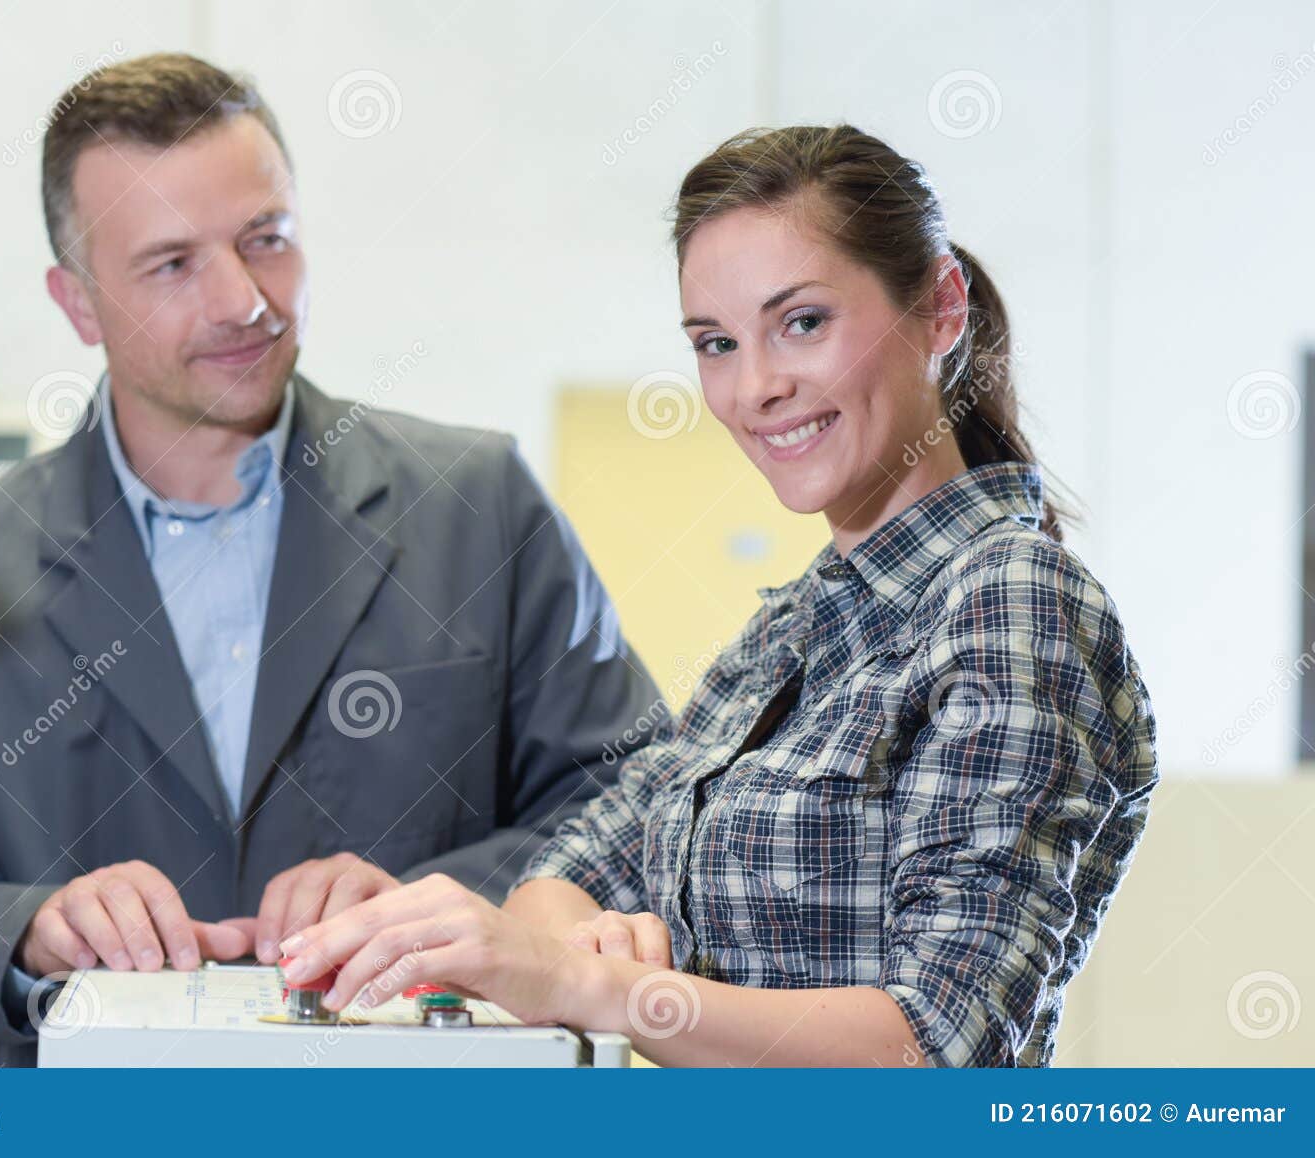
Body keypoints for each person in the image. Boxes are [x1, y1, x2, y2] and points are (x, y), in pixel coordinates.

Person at [0, 53, 660, 1067]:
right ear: (77, 302)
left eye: (267, 241)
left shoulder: (478, 507)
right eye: (172, 264)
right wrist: (27, 935)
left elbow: (642, 804)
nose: (243, 300)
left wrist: (449, 906)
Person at [275, 125, 1160, 1068]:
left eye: (804, 322)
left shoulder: (1012, 597)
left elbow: (942, 1048)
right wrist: (587, 948)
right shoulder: (790, 632)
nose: (757, 387)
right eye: (716, 343)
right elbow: (570, 869)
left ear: (941, 310)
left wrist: (600, 986)